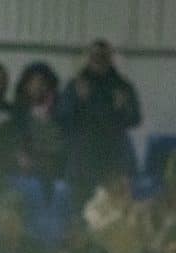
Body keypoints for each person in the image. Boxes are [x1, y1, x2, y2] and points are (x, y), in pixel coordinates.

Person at [58, 39, 142, 207]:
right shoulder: (76, 85)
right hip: (82, 161)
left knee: (114, 214)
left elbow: (135, 119)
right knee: (80, 213)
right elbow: (62, 118)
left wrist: (123, 108)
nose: (99, 59)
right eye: (95, 56)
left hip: (113, 160)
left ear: (111, 58)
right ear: (88, 58)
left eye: (103, 56)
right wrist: (79, 101)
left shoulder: (122, 87)